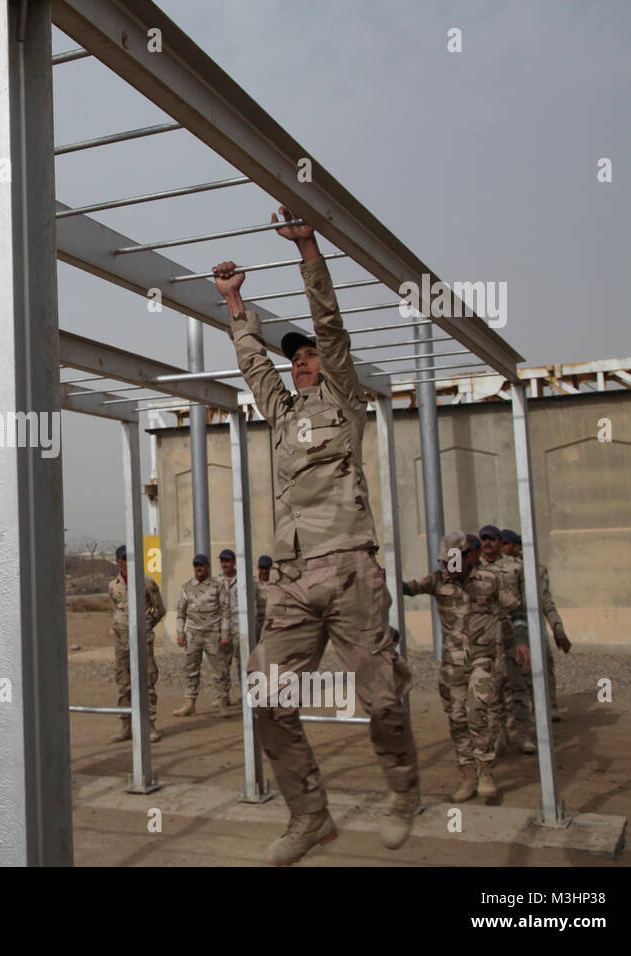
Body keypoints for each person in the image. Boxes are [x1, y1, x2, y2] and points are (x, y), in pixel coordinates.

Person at [212, 208, 418, 866]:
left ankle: (403, 791)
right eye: (295, 358)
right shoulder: (281, 415)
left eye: (310, 358)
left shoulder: (347, 405)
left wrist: (307, 249)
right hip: (294, 580)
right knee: (266, 695)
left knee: (382, 699)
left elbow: (330, 323)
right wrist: (236, 301)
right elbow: (253, 365)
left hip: (352, 570)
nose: (302, 364)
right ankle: (310, 816)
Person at [403, 532, 522, 801]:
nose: (449, 567)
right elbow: (406, 588)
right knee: (456, 719)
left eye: (454, 560)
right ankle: (467, 775)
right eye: (445, 562)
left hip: (483, 658)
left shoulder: (490, 580)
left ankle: (486, 771)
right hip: (452, 663)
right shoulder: (436, 581)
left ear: (470, 556)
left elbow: (515, 609)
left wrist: (517, 644)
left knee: (476, 711)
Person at [502, 530, 570, 720]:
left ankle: (548, 705)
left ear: (516, 546)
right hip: (509, 625)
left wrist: (558, 631)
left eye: (506, 544)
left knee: (544, 664)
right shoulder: (496, 570)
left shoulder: (536, 570)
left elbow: (546, 602)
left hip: (533, 624)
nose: (502, 547)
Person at [479, 525, 536, 752]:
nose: (487, 543)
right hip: (488, 637)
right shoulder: (475, 569)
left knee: (518, 685)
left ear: (500, 541)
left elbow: (526, 603)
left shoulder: (516, 567)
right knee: (493, 689)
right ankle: (499, 733)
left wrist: (526, 636)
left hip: (512, 634)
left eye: (491, 539)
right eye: (483, 539)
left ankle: (523, 733)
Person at [109, 544, 166, 743]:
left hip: (142, 639)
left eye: (129, 557)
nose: (127, 561)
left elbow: (159, 610)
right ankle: (126, 726)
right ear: (118, 561)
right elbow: (117, 609)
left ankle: (150, 726)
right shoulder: (113, 585)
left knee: (146, 681)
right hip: (121, 641)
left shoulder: (146, 582)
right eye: (123, 558)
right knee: (124, 684)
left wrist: (146, 624)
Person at [173, 554, 229, 717]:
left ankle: (223, 703)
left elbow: (225, 611)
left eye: (202, 565)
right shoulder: (186, 588)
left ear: (207, 566)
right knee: (191, 669)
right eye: (196, 565)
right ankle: (190, 703)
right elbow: (180, 613)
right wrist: (180, 633)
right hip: (193, 635)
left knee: (220, 670)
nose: (199, 568)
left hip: (212, 633)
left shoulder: (217, 586)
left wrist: (225, 634)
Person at [216, 548, 241, 702]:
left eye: (227, 561)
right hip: (223, 629)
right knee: (222, 664)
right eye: (222, 561)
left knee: (243, 663)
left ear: (233, 562)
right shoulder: (217, 582)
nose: (225, 564)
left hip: (239, 628)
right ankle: (223, 696)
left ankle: (246, 695)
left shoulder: (243, 578)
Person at [255, 555, 274, 640]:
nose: (264, 571)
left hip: (271, 624)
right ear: (258, 567)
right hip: (256, 624)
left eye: (267, 568)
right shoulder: (252, 583)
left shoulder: (276, 584)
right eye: (262, 568)